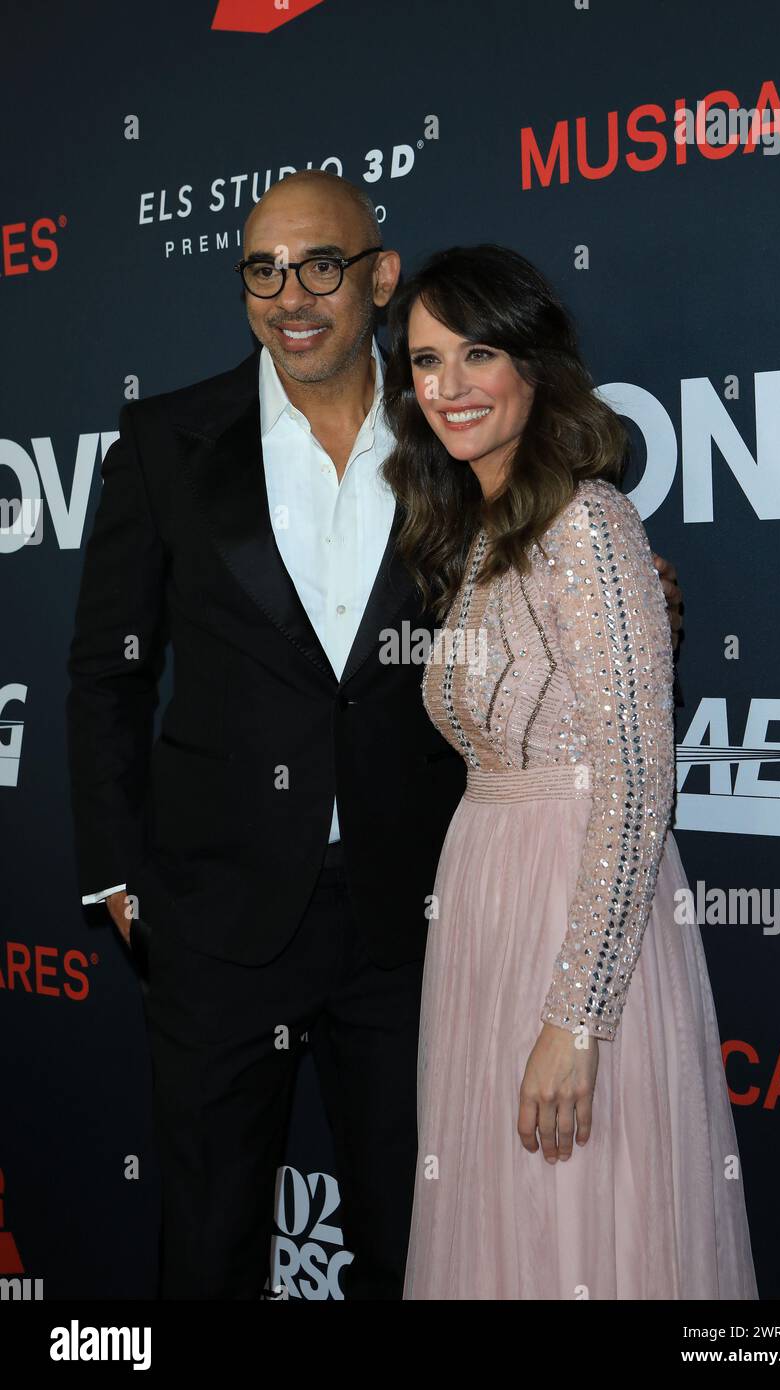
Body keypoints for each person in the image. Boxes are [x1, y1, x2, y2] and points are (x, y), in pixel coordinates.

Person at [65, 172, 684, 1300]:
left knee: (422, 1243)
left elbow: (550, 592)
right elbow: (108, 672)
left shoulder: (448, 434)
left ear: (379, 276)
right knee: (205, 1247)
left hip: (416, 921)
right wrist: (116, 869)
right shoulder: (166, 438)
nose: (289, 295)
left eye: (319, 265)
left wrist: (633, 599)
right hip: (216, 917)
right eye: (261, 268)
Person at [381, 244, 759, 1300]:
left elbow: (636, 782)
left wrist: (577, 1017)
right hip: (485, 906)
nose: (447, 386)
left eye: (475, 353)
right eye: (421, 362)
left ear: (533, 367)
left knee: (585, 1218)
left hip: (574, 921)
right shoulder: (469, 533)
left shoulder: (586, 523)